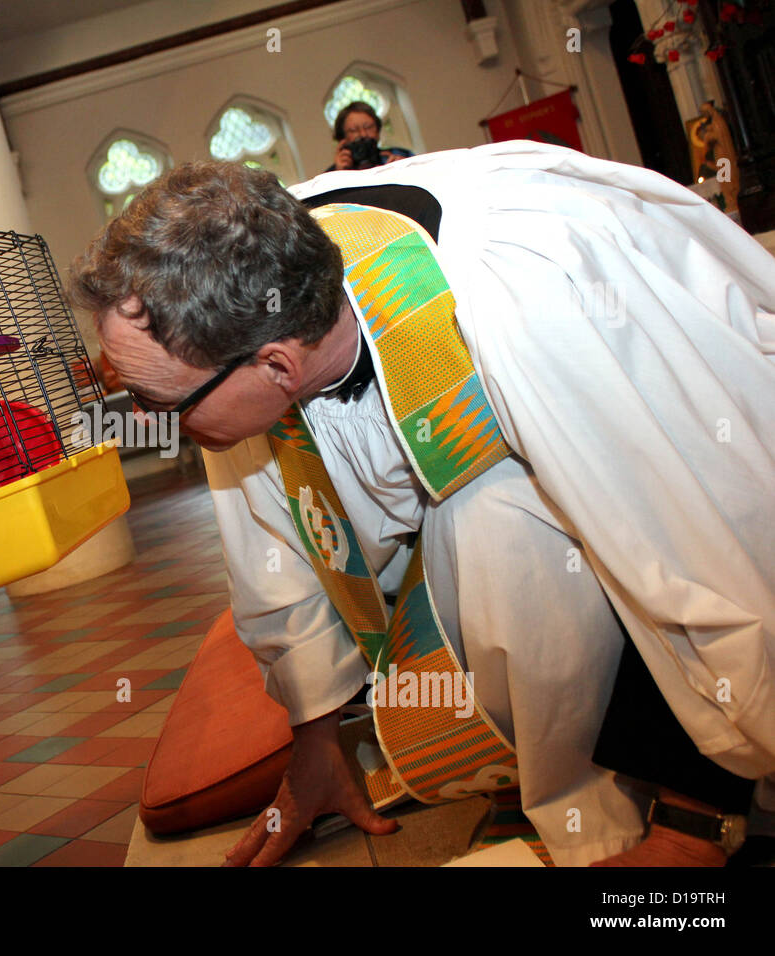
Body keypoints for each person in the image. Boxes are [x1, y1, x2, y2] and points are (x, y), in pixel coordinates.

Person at [70, 147, 775, 866]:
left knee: (493, 516)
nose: (162, 425)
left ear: (279, 366)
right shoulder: (243, 300)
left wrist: (699, 821)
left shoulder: (520, 300)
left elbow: (706, 539)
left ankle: (648, 805)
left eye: (164, 405)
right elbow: (275, 551)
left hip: (703, 454)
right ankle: (544, 777)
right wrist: (318, 749)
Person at [327, 101, 412, 172]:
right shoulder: (330, 174)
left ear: (377, 131)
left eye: (368, 127)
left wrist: (406, 168)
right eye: (353, 130)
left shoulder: (400, 155)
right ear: (343, 139)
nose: (363, 134)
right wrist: (339, 174)